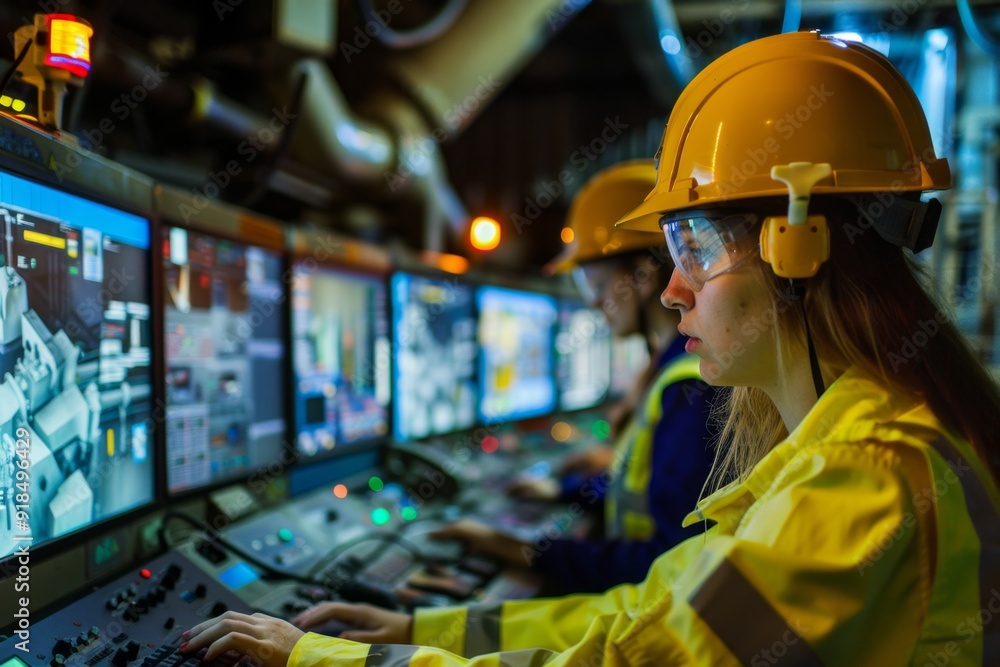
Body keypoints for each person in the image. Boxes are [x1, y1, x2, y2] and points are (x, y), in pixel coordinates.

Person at [181, 30, 1000, 665]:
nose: (674, 289)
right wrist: (425, 626)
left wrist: (325, 656)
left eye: (695, 249)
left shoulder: (865, 481)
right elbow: (643, 618)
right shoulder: (846, 452)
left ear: (800, 246)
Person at [428, 160, 720, 595]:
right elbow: (645, 493)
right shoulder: (673, 371)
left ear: (642, 276)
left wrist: (524, 550)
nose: (595, 303)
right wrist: (561, 491)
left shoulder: (692, 389)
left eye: (595, 284)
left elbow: (664, 558)